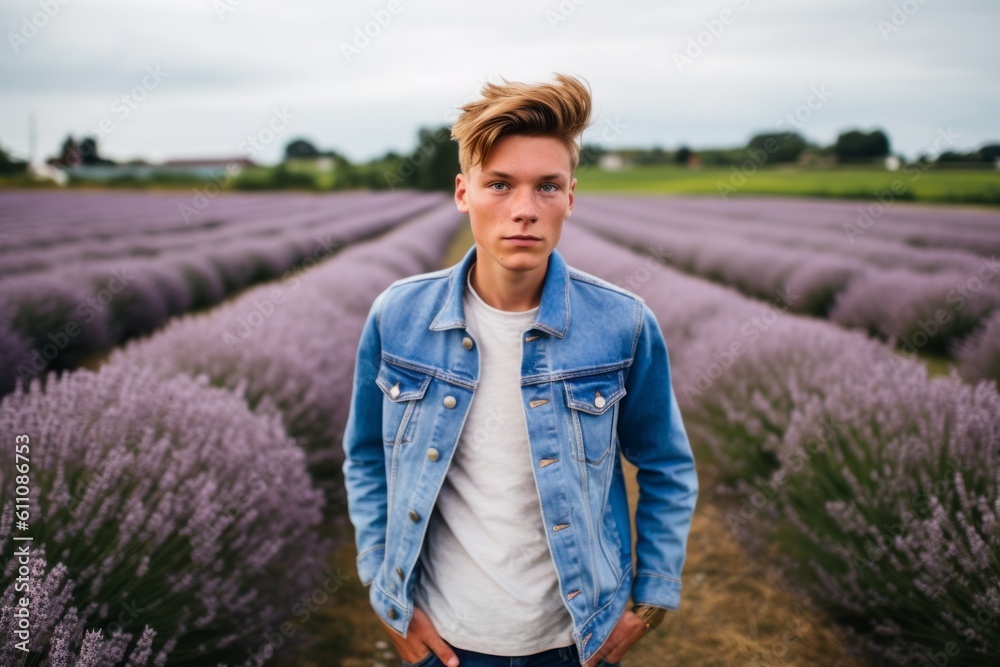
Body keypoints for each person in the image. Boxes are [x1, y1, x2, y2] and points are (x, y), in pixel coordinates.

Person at [341, 73, 698, 667]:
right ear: (463, 193)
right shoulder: (397, 316)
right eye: (500, 185)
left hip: (574, 643)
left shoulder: (623, 324)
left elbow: (666, 464)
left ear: (571, 198)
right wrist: (386, 593)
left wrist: (649, 602)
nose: (524, 211)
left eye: (547, 187)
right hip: (443, 642)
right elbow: (366, 456)